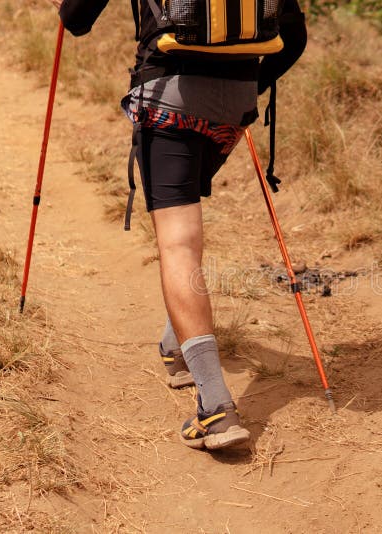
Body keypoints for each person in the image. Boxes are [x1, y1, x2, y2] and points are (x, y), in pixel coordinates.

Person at [55, 0, 306, 450]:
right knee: (185, 225)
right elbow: (295, 37)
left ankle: (215, 410)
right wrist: (248, 82)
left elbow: (76, 20)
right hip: (235, 104)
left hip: (167, 99)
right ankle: (177, 350)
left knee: (178, 244)